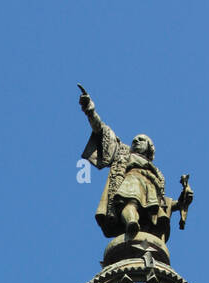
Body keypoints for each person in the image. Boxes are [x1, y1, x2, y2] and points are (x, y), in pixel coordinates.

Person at [79, 87, 192, 242]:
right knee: (130, 202)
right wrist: (90, 111)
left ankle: (137, 225)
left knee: (147, 209)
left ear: (150, 148)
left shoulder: (156, 174)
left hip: (149, 189)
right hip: (131, 181)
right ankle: (131, 222)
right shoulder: (123, 152)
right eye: (134, 140)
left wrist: (181, 202)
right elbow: (102, 131)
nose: (136, 142)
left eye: (141, 140)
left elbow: (162, 203)